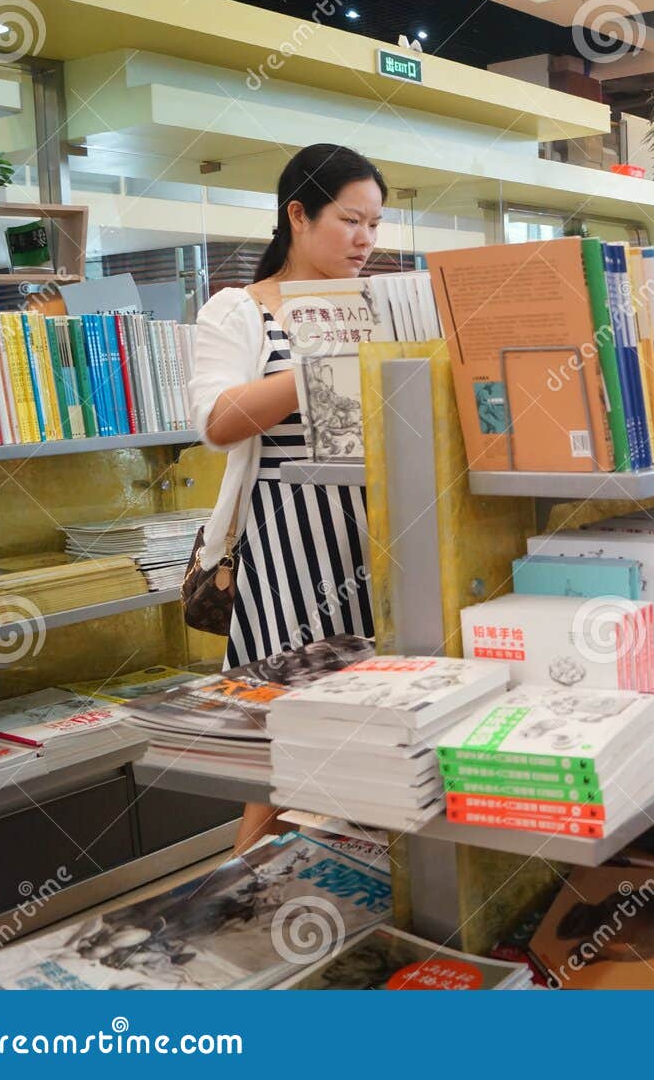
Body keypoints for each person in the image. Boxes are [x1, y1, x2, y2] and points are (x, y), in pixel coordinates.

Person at [187, 144, 385, 851]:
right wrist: (323, 366)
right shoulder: (239, 309)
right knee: (286, 751)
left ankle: (359, 907)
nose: (366, 239)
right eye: (350, 220)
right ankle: (232, 909)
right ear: (297, 214)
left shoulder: (381, 306)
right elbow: (216, 423)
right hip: (290, 550)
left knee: (384, 738)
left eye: (375, 224)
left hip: (383, 537)